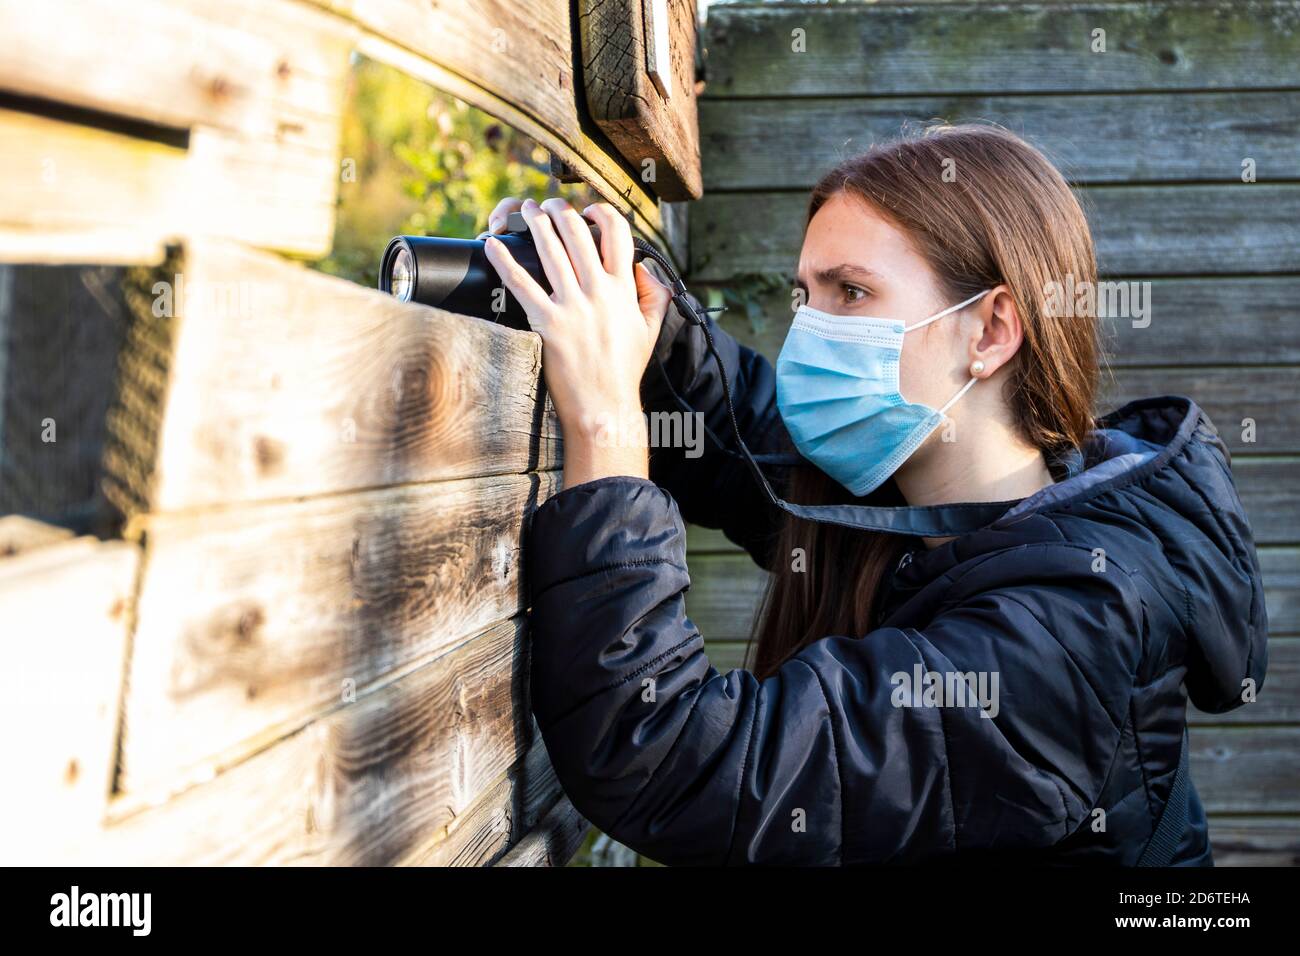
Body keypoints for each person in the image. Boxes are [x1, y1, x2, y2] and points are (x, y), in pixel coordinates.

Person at [480, 124, 1267, 866]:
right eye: (806, 296)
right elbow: (742, 430)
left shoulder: (1062, 638)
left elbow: (673, 757)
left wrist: (605, 415)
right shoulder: (920, 498)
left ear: (991, 331)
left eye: (851, 294)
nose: (810, 335)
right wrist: (621, 291)